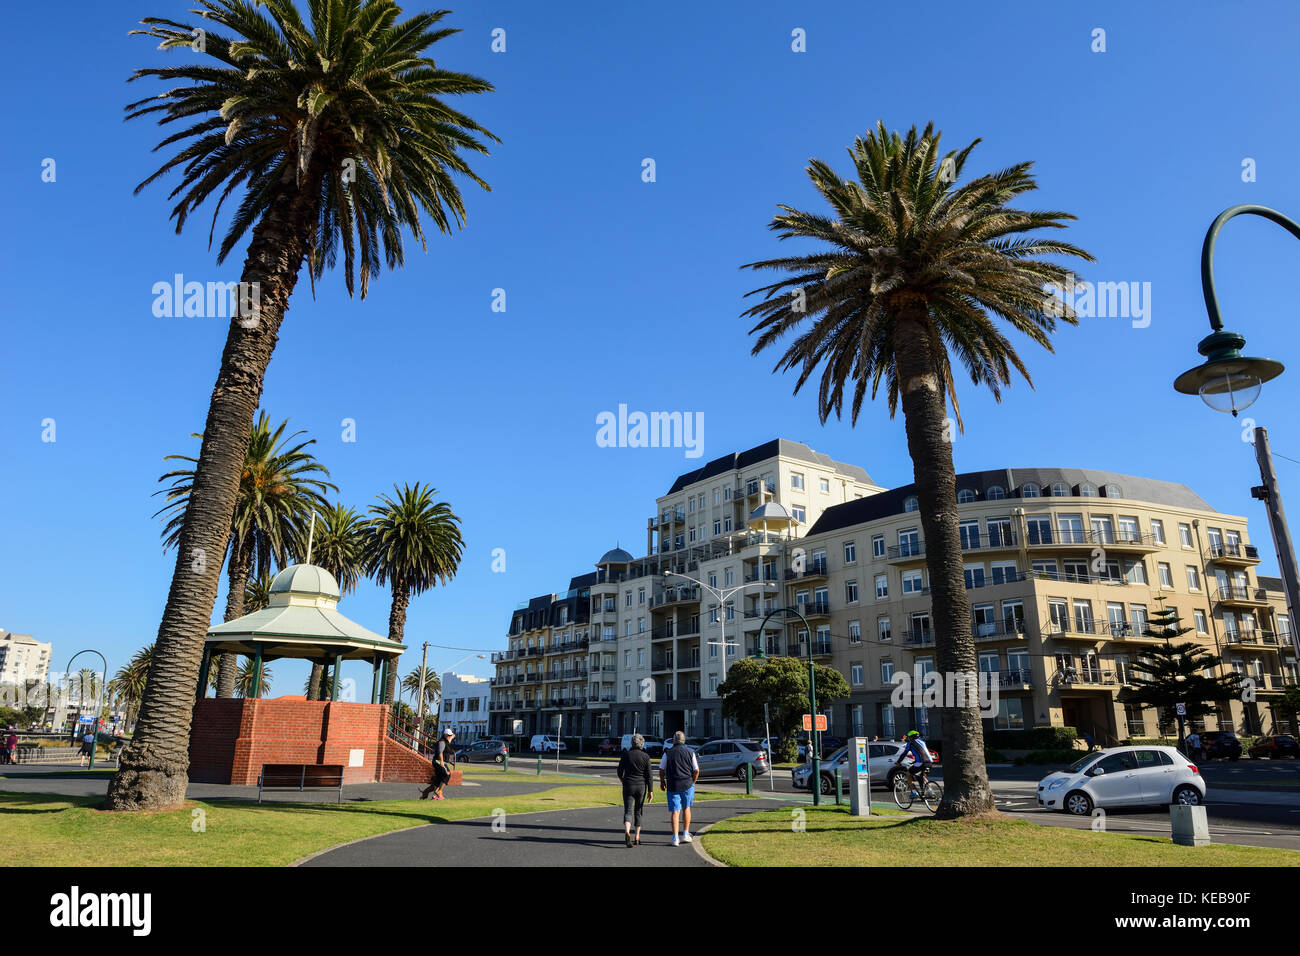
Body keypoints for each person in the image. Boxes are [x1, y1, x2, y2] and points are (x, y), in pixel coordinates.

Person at [659, 730, 700, 846]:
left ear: (674, 740)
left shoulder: (668, 753)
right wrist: (693, 782)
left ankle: (675, 838)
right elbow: (696, 770)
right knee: (686, 808)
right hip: (687, 784)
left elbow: (661, 769)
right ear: (684, 740)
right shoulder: (690, 752)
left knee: (675, 812)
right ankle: (685, 834)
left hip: (673, 785)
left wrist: (662, 782)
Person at [617, 733, 654, 847]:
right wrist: (650, 791)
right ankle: (637, 837)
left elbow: (619, 771)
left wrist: (623, 780)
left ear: (632, 743)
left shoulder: (626, 755)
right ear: (641, 743)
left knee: (628, 811)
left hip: (628, 784)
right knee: (638, 811)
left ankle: (627, 832)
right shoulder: (645, 756)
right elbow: (649, 776)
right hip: (641, 786)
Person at [893, 730, 933, 796]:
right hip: (930, 762)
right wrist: (915, 761)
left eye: (909, 737)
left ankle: (914, 792)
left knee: (908, 774)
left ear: (911, 737)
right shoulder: (922, 742)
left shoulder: (910, 743)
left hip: (921, 763)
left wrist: (898, 762)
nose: (908, 738)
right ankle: (930, 791)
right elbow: (922, 753)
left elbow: (904, 754)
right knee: (921, 775)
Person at [421, 728, 457, 800]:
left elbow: (449, 741)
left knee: (438, 781)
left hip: (439, 761)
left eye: (450, 735)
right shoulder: (442, 742)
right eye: (448, 735)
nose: (449, 737)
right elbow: (440, 752)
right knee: (447, 775)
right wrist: (442, 762)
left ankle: (425, 793)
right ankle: (439, 792)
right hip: (438, 761)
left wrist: (452, 737)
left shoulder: (446, 741)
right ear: (445, 735)